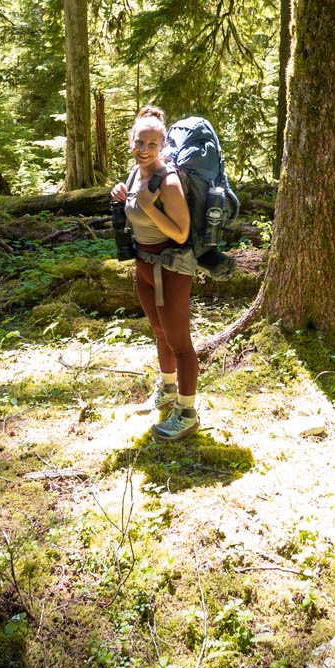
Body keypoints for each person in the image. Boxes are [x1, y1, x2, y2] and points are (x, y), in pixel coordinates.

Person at [111, 106, 201, 441]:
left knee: (181, 344)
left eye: (152, 143)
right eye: (139, 141)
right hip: (144, 265)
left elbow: (180, 233)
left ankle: (188, 413)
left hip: (171, 269)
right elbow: (135, 210)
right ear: (131, 142)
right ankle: (166, 389)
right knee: (160, 333)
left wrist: (148, 206)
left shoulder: (169, 180)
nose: (145, 148)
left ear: (162, 145)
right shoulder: (137, 173)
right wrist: (123, 196)